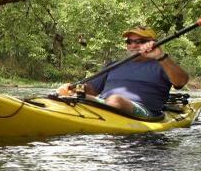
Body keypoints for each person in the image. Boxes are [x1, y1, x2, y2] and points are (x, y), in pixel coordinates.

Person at [56, 25, 190, 118]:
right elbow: (93, 88)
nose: (133, 45)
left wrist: (160, 56)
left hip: (144, 112)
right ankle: (85, 100)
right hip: (103, 106)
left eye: (141, 41)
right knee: (66, 91)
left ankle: (90, 101)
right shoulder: (115, 65)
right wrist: (75, 88)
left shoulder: (163, 64)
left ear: (153, 43)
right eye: (129, 41)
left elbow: (181, 82)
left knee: (116, 100)